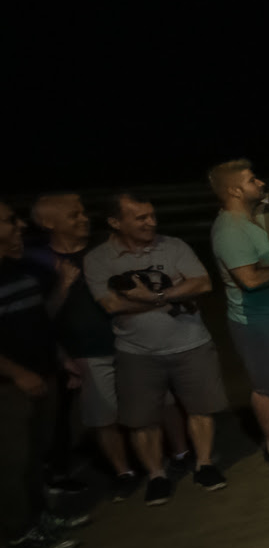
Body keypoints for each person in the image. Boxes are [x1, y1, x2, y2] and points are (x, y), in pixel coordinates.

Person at [26, 192, 184, 497]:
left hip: (133, 340)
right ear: (48, 222)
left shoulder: (105, 248)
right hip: (87, 349)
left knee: (158, 401)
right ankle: (123, 471)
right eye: (74, 214)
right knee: (104, 416)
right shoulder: (40, 266)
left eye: (83, 212)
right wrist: (63, 287)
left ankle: (177, 454)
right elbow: (41, 317)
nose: (83, 218)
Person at [84, 192, 229, 502]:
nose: (152, 222)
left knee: (200, 409)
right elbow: (110, 305)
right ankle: (156, 475)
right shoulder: (98, 259)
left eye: (152, 215)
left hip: (190, 343)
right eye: (141, 218)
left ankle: (203, 464)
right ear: (115, 222)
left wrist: (151, 298)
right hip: (137, 351)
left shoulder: (173, 245)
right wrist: (176, 295)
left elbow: (202, 283)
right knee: (141, 420)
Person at [208, 160, 269, 467]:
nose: (259, 184)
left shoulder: (255, 218)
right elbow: (250, 280)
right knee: (267, 385)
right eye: (252, 181)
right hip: (257, 320)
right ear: (235, 190)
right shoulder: (229, 229)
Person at [2, 199, 82, 548]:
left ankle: (39, 517)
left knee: (36, 455)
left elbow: (39, 321)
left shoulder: (17, 270)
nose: (19, 225)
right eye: (9, 220)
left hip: (43, 373)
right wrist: (17, 373)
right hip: (10, 386)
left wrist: (60, 357)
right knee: (13, 461)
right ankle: (20, 533)